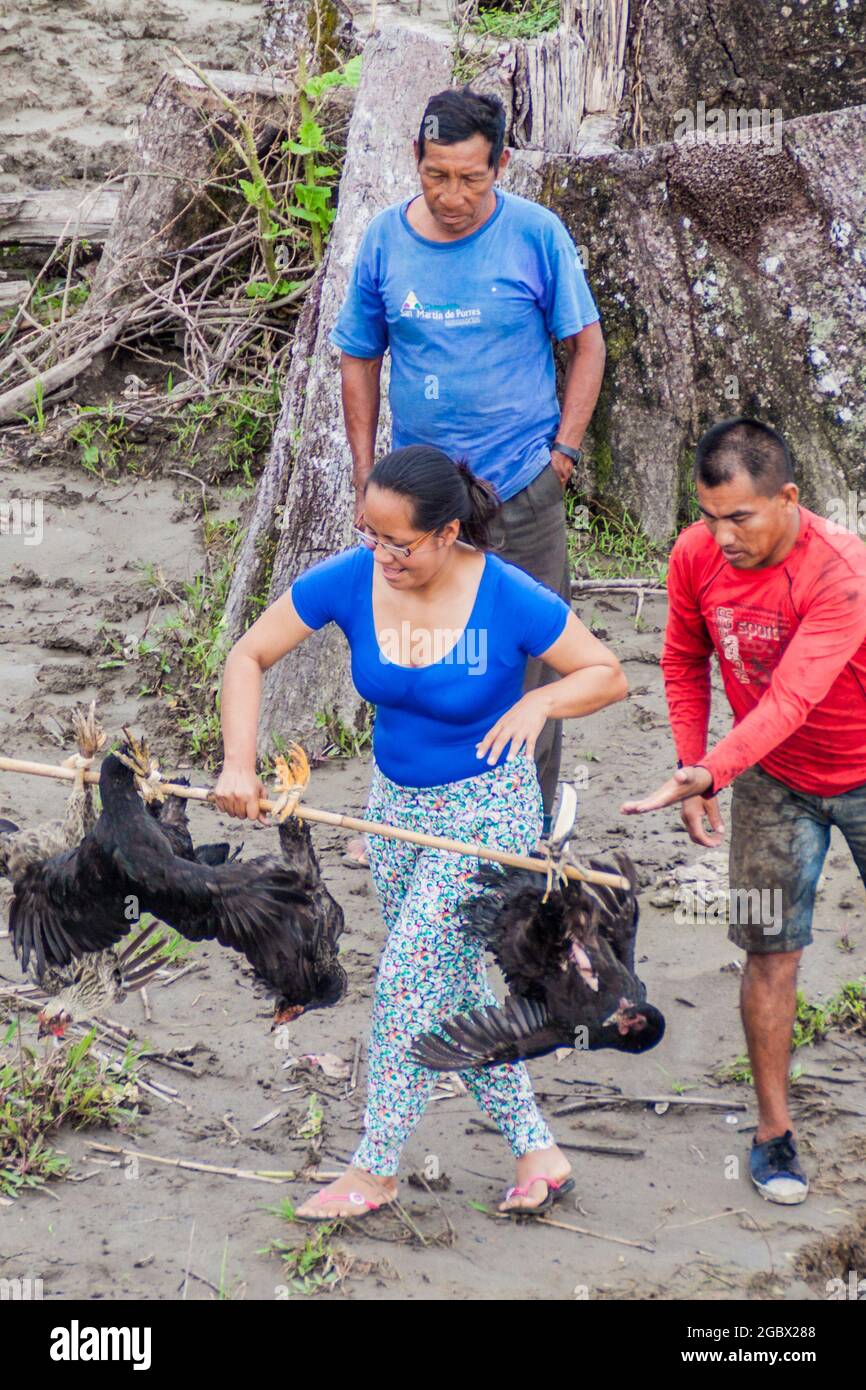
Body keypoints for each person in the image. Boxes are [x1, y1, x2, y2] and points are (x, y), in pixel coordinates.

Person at [215, 445, 627, 1219]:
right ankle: (538, 1146)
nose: (382, 555)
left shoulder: (506, 595)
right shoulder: (352, 577)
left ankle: (373, 1169)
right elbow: (249, 654)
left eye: (399, 542)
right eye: (372, 534)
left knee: (406, 983)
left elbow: (606, 671)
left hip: (486, 822)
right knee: (451, 986)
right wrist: (240, 762)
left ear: (448, 532)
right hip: (395, 813)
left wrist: (540, 703)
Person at [330, 84, 606, 833]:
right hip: (422, 505)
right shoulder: (386, 240)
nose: (452, 196)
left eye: (471, 178)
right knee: (419, 652)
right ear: (415, 160)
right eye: (436, 175)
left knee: (533, 667)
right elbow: (358, 356)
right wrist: (365, 475)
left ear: (503, 165)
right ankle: (420, 811)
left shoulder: (537, 235)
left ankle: (529, 830)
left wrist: (563, 455)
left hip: (522, 487)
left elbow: (586, 346)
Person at [621, 417, 866, 1204]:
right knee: (770, 948)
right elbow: (683, 658)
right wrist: (698, 765)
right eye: (707, 515)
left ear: (787, 498)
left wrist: (709, 769)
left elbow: (793, 696)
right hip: (773, 782)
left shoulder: (841, 570)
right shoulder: (696, 556)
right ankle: (772, 1132)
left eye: (741, 518)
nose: (721, 537)